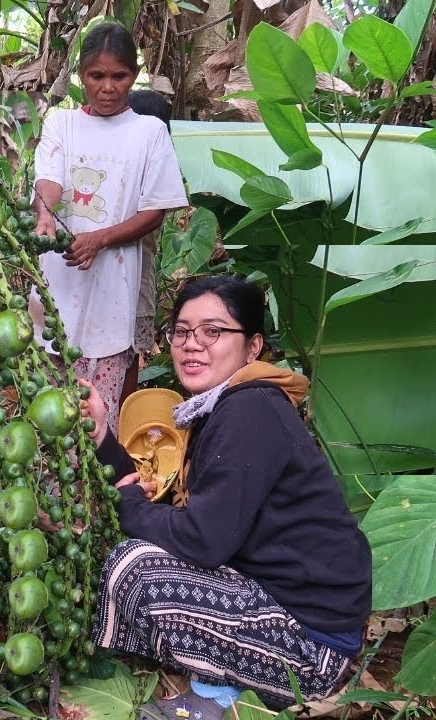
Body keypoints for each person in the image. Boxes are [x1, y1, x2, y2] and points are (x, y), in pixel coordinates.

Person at [80, 275, 370, 718]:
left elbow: (200, 540)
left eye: (213, 331)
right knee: (125, 548)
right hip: (273, 602)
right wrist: (103, 437)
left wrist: (128, 506)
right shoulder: (226, 406)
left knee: (133, 567)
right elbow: (165, 506)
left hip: (312, 649)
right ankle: (219, 673)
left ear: (253, 347)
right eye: (181, 331)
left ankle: (215, 696)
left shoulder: (250, 410)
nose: (192, 344)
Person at [31, 23, 188, 437]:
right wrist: (45, 214)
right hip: (59, 278)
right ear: (81, 74)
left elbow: (154, 212)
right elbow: (49, 180)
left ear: (133, 75)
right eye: (97, 76)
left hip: (114, 284)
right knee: (48, 398)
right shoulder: (61, 123)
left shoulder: (149, 133)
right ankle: (49, 495)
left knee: (98, 414)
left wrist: (100, 239)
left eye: (118, 76)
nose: (107, 87)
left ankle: (98, 494)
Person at [122, 89, 175, 406]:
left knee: (127, 355)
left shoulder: (155, 168)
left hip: (134, 280)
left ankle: (122, 419)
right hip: (121, 281)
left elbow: (148, 219)